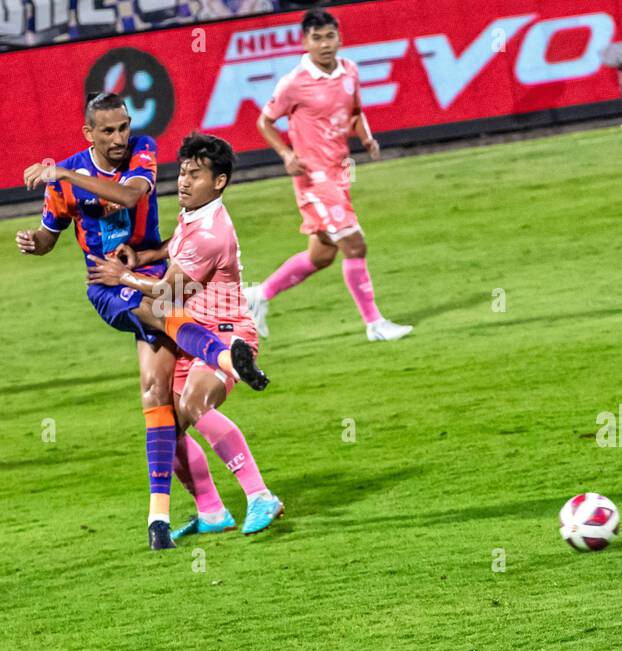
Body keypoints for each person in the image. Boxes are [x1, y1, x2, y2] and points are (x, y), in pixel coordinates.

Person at [16, 92, 266, 550]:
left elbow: (131, 194)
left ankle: (203, 509)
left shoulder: (141, 152)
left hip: (150, 279)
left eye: (123, 127)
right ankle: (225, 358)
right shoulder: (63, 181)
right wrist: (33, 241)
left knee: (164, 401)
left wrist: (67, 173)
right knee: (165, 372)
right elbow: (50, 235)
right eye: (107, 131)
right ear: (88, 133)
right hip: (113, 285)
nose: (119, 138)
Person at [88, 133, 284, 538]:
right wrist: (144, 256)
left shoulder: (212, 233)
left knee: (195, 402)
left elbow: (170, 291)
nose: (183, 181)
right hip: (189, 333)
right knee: (166, 428)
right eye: (182, 172)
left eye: (195, 175)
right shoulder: (195, 213)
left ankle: (260, 495)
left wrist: (122, 277)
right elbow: (176, 248)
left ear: (220, 182)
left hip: (225, 332)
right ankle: (211, 510)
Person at [244, 6, 412, 342]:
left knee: (321, 255)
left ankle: (257, 296)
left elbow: (355, 112)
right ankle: (374, 324)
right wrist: (286, 154)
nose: (324, 44)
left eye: (330, 36)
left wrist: (366, 138)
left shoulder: (349, 71)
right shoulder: (294, 83)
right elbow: (264, 121)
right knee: (355, 244)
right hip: (313, 179)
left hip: (339, 173)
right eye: (317, 38)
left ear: (340, 37)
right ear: (305, 42)